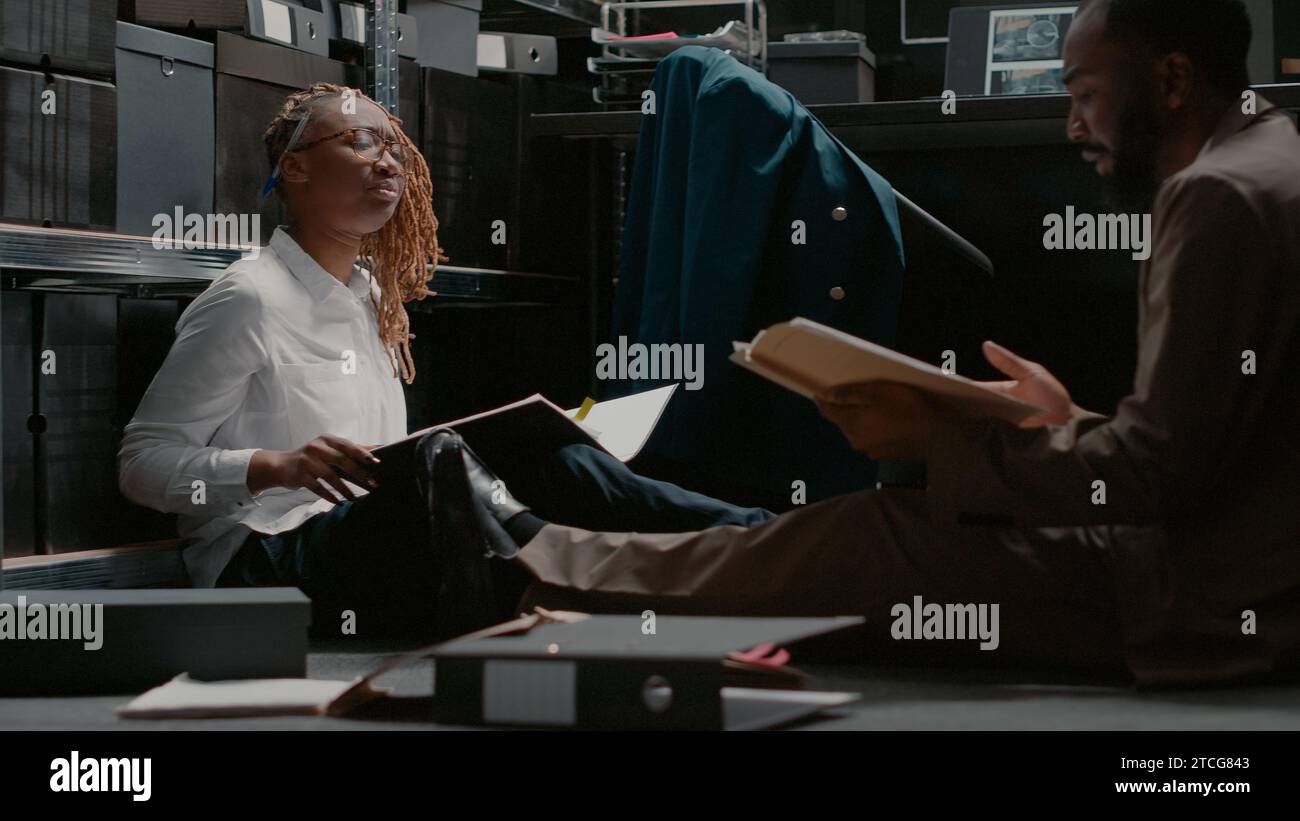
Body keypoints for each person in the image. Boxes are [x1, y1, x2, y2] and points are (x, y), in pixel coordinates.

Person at [441, 0, 1300, 687]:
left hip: (1194, 597)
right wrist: (1066, 418)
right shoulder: (1272, 158)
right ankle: (548, 557)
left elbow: (1156, 474)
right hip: (1234, 570)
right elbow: (1219, 441)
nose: (1076, 127)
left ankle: (528, 558)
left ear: (1175, 79)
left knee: (876, 533)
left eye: (1084, 93)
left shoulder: (1216, 197)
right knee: (842, 534)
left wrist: (942, 439)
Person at [117, 82, 773, 641]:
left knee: (555, 456)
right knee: (445, 465)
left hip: (374, 531)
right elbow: (142, 465)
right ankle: (585, 569)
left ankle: (759, 540)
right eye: (362, 142)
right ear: (296, 168)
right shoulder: (247, 296)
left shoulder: (369, 295)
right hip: (263, 562)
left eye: (394, 147)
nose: (389, 161)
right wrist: (274, 465)